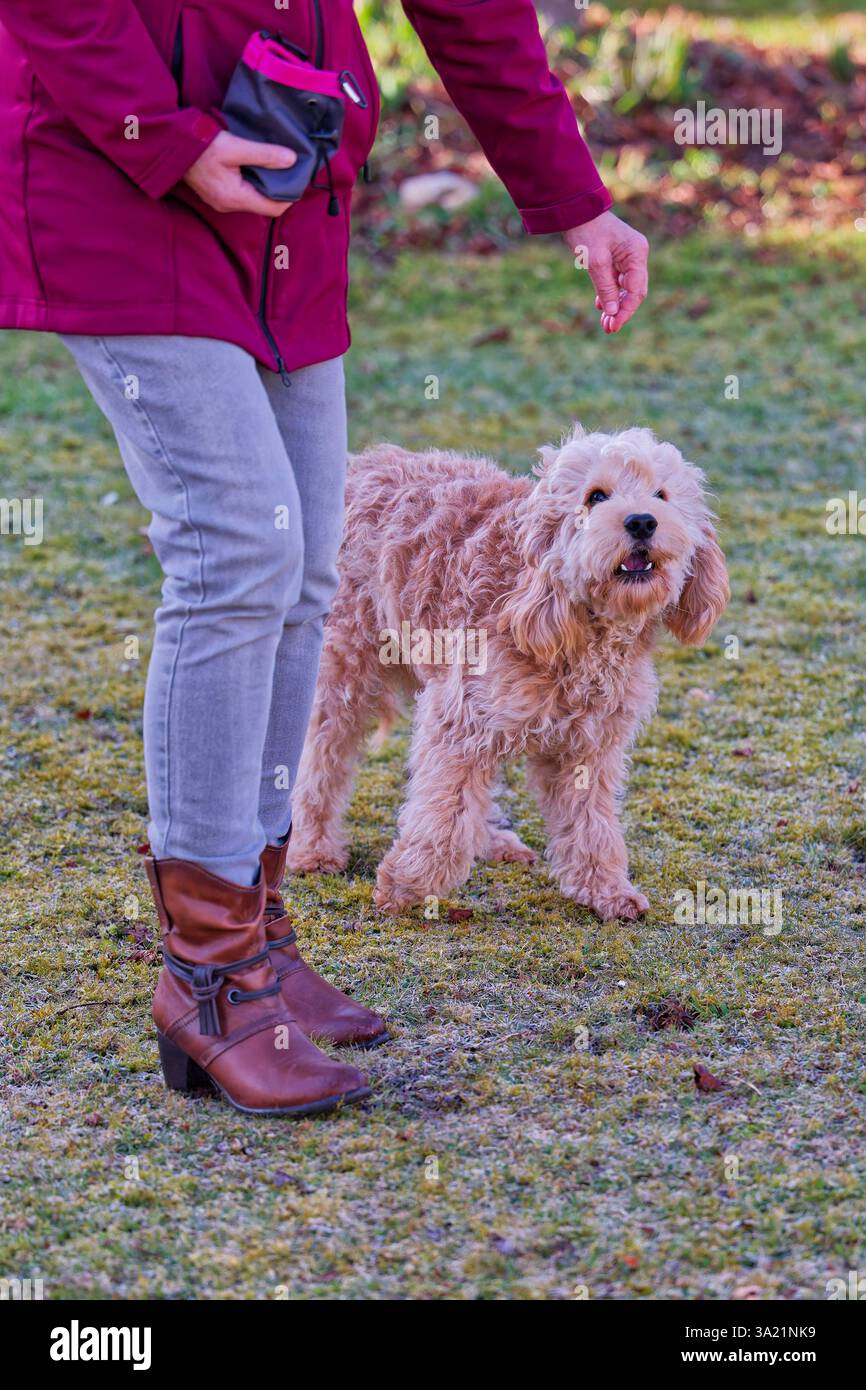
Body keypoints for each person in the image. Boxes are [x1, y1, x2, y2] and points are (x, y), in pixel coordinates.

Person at [0, 0, 649, 1117]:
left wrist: (572, 194)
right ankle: (206, 979)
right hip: (121, 170)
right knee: (235, 553)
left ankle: (258, 938)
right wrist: (165, 132)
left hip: (286, 179)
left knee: (304, 573)